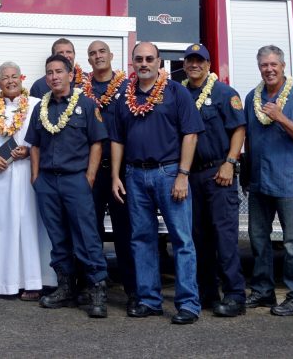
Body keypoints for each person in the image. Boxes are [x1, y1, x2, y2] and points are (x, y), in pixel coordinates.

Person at [110, 42, 204, 324]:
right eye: (138, 59)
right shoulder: (123, 97)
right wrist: (115, 175)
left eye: (150, 59)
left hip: (169, 173)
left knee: (182, 240)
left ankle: (188, 304)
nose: (144, 63)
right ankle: (149, 300)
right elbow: (117, 139)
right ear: (132, 62)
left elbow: (191, 135)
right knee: (141, 239)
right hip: (134, 176)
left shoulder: (177, 92)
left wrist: (183, 175)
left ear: (159, 62)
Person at [26, 54, 110, 319]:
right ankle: (65, 287)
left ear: (71, 75)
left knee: (86, 236)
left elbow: (97, 143)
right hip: (48, 182)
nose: (54, 77)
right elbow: (35, 144)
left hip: (76, 179)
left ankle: (96, 288)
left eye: (59, 71)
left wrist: (90, 176)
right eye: (49, 72)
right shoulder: (40, 108)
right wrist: (36, 177)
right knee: (57, 236)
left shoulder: (85, 105)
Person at [243, 45, 293, 317]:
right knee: (258, 239)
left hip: (287, 182)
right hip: (260, 181)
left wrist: (280, 117)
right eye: (264, 65)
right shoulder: (253, 98)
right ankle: (263, 291)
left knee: (292, 242)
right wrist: (245, 174)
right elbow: (248, 140)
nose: (269, 69)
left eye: (274, 64)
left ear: (283, 66)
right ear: (259, 67)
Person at [180, 43, 247, 317]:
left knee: (225, 238)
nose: (195, 65)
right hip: (191, 175)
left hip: (218, 173)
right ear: (185, 64)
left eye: (200, 61)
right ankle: (208, 293)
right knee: (198, 238)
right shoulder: (179, 93)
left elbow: (239, 129)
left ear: (209, 65)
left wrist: (230, 163)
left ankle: (235, 296)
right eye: (190, 60)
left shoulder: (224, 93)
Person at [0, 61, 50, 299]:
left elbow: (44, 138)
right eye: (4, 77)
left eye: (14, 76)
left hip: (26, 175)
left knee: (28, 225)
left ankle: (33, 282)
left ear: (21, 78)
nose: (10, 81)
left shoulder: (37, 105)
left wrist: (28, 150)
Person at [82, 39, 135, 309]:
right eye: (92, 54)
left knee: (126, 232)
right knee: (91, 232)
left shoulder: (128, 88)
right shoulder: (82, 89)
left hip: (121, 173)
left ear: (112, 55)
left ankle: (133, 292)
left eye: (102, 51)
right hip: (90, 173)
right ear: (88, 60)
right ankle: (94, 288)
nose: (98, 56)